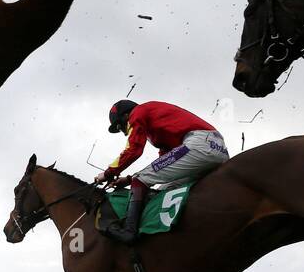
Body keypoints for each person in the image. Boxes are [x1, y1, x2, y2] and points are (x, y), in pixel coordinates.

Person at [94, 99, 229, 242]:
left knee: (141, 179)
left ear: (126, 116)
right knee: (164, 190)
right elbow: (164, 161)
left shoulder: (138, 113)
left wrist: (108, 173)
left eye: (121, 126)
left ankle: (129, 231)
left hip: (199, 144)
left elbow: (133, 149)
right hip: (217, 149)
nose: (123, 132)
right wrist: (128, 180)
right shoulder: (156, 122)